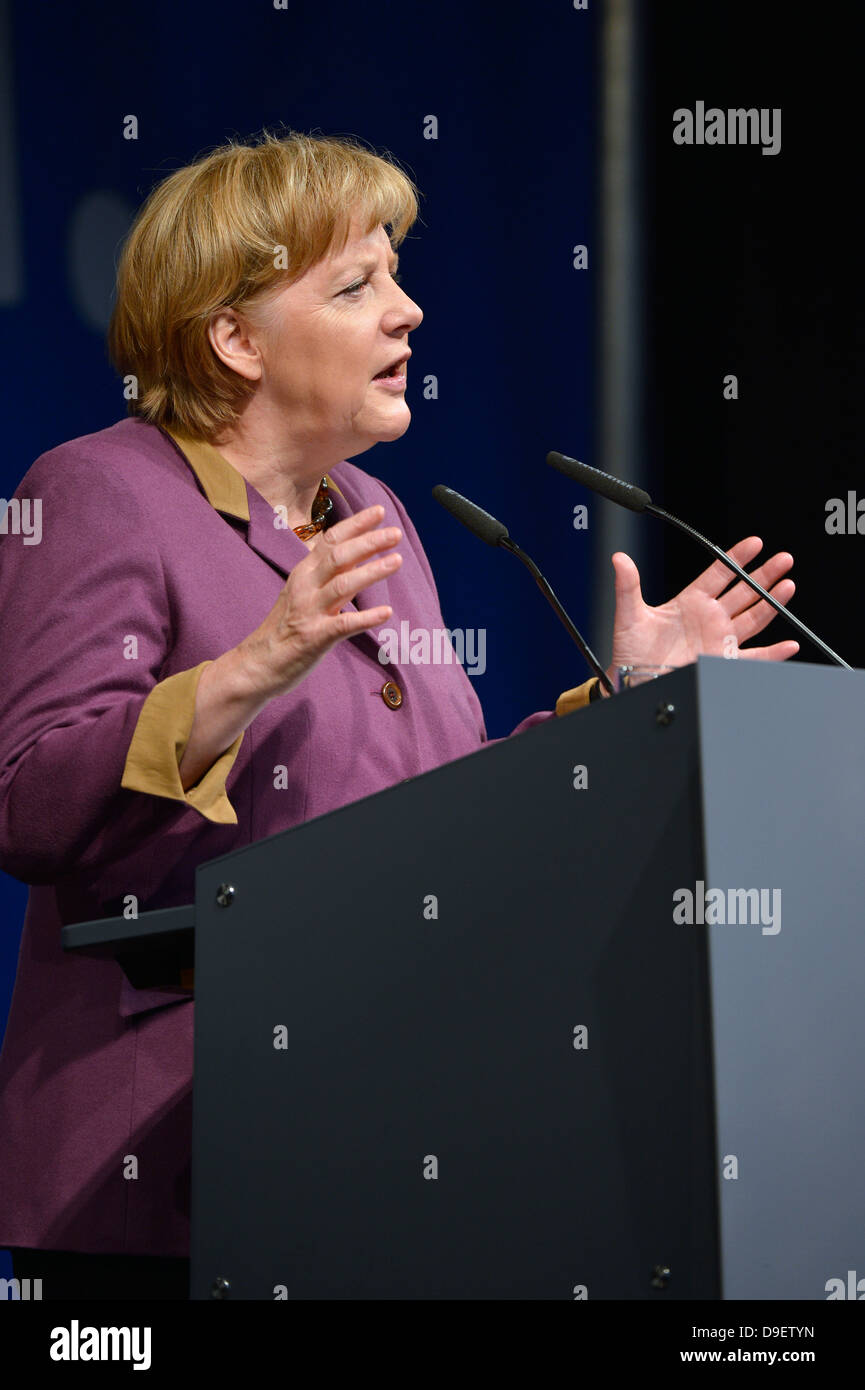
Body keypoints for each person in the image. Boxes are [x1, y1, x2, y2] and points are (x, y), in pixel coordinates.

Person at [0, 130, 798, 1299]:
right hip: (161, 1179)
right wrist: (253, 663)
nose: (410, 311)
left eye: (399, 276)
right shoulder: (99, 490)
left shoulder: (368, 516)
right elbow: (28, 799)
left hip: (376, 1156)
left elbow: (436, 820)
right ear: (234, 337)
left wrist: (630, 706)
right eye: (358, 285)